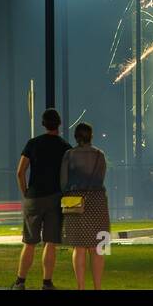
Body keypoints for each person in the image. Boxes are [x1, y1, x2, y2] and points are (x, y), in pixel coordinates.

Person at [12, 108, 71, 290]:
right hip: (55, 197)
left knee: (29, 242)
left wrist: (26, 192)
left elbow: (20, 171)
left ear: (43, 124)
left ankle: (20, 282)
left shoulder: (33, 144)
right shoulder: (64, 147)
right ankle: (47, 282)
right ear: (59, 124)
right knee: (50, 242)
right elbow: (68, 175)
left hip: (34, 197)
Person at [60, 122, 110, 290]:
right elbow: (101, 177)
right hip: (98, 202)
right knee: (98, 247)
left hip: (75, 203)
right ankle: (98, 287)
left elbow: (63, 182)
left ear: (76, 137)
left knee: (79, 246)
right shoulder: (99, 155)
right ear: (91, 136)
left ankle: (80, 287)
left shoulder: (69, 155)